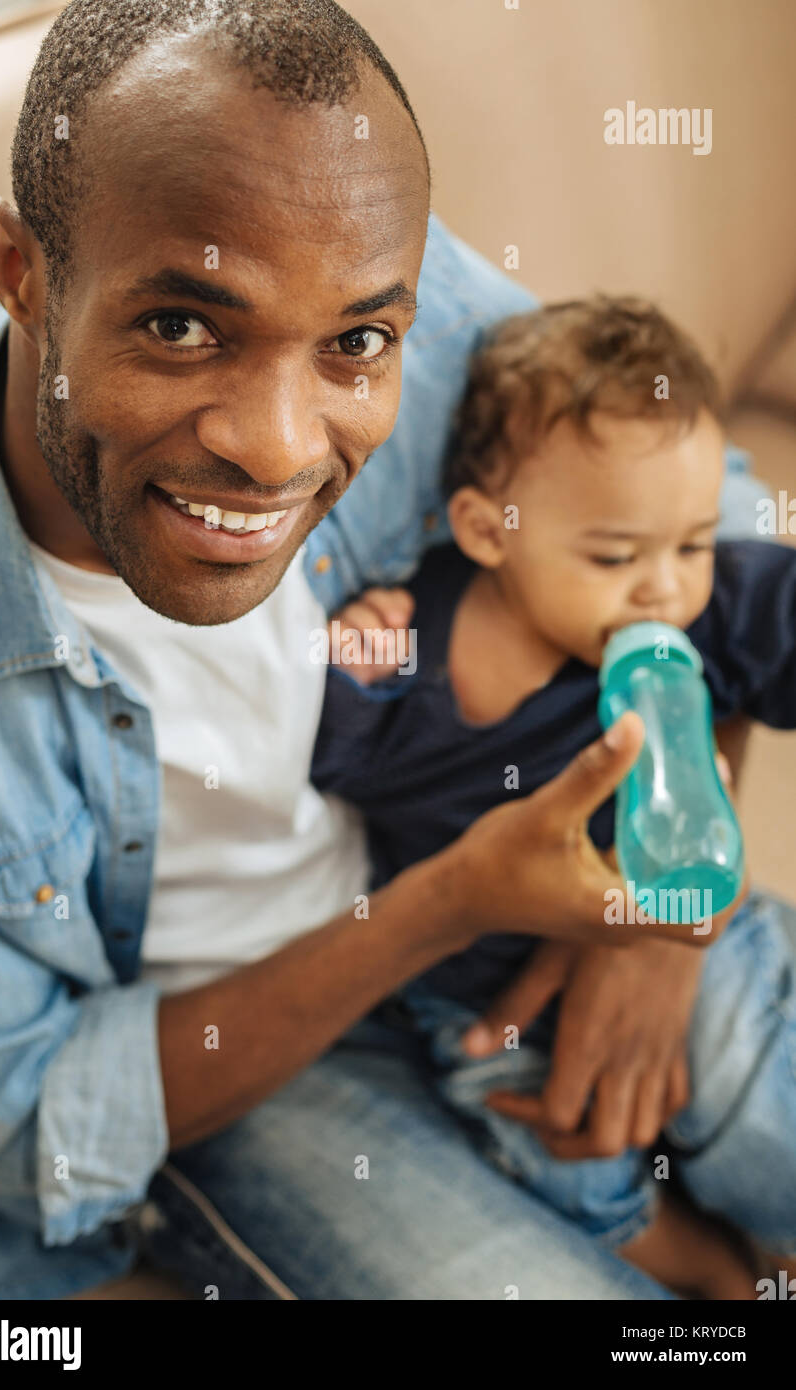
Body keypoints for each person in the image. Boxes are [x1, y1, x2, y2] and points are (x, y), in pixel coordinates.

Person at [0, 0, 765, 1301]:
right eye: (181, 327)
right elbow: (36, 1124)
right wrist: (443, 905)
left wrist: (660, 925)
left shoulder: (356, 265)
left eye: (356, 345)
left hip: (530, 899)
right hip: (246, 1062)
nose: (276, 446)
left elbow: (699, 508)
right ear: (22, 268)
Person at [311, 296, 796, 1300]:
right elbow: (328, 763)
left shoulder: (703, 615)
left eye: (693, 544)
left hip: (687, 929)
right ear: (489, 531)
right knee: (550, 1160)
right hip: (485, 1004)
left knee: (752, 1079)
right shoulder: (419, 640)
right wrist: (352, 661)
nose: (663, 589)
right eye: (615, 557)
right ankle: (711, 1276)